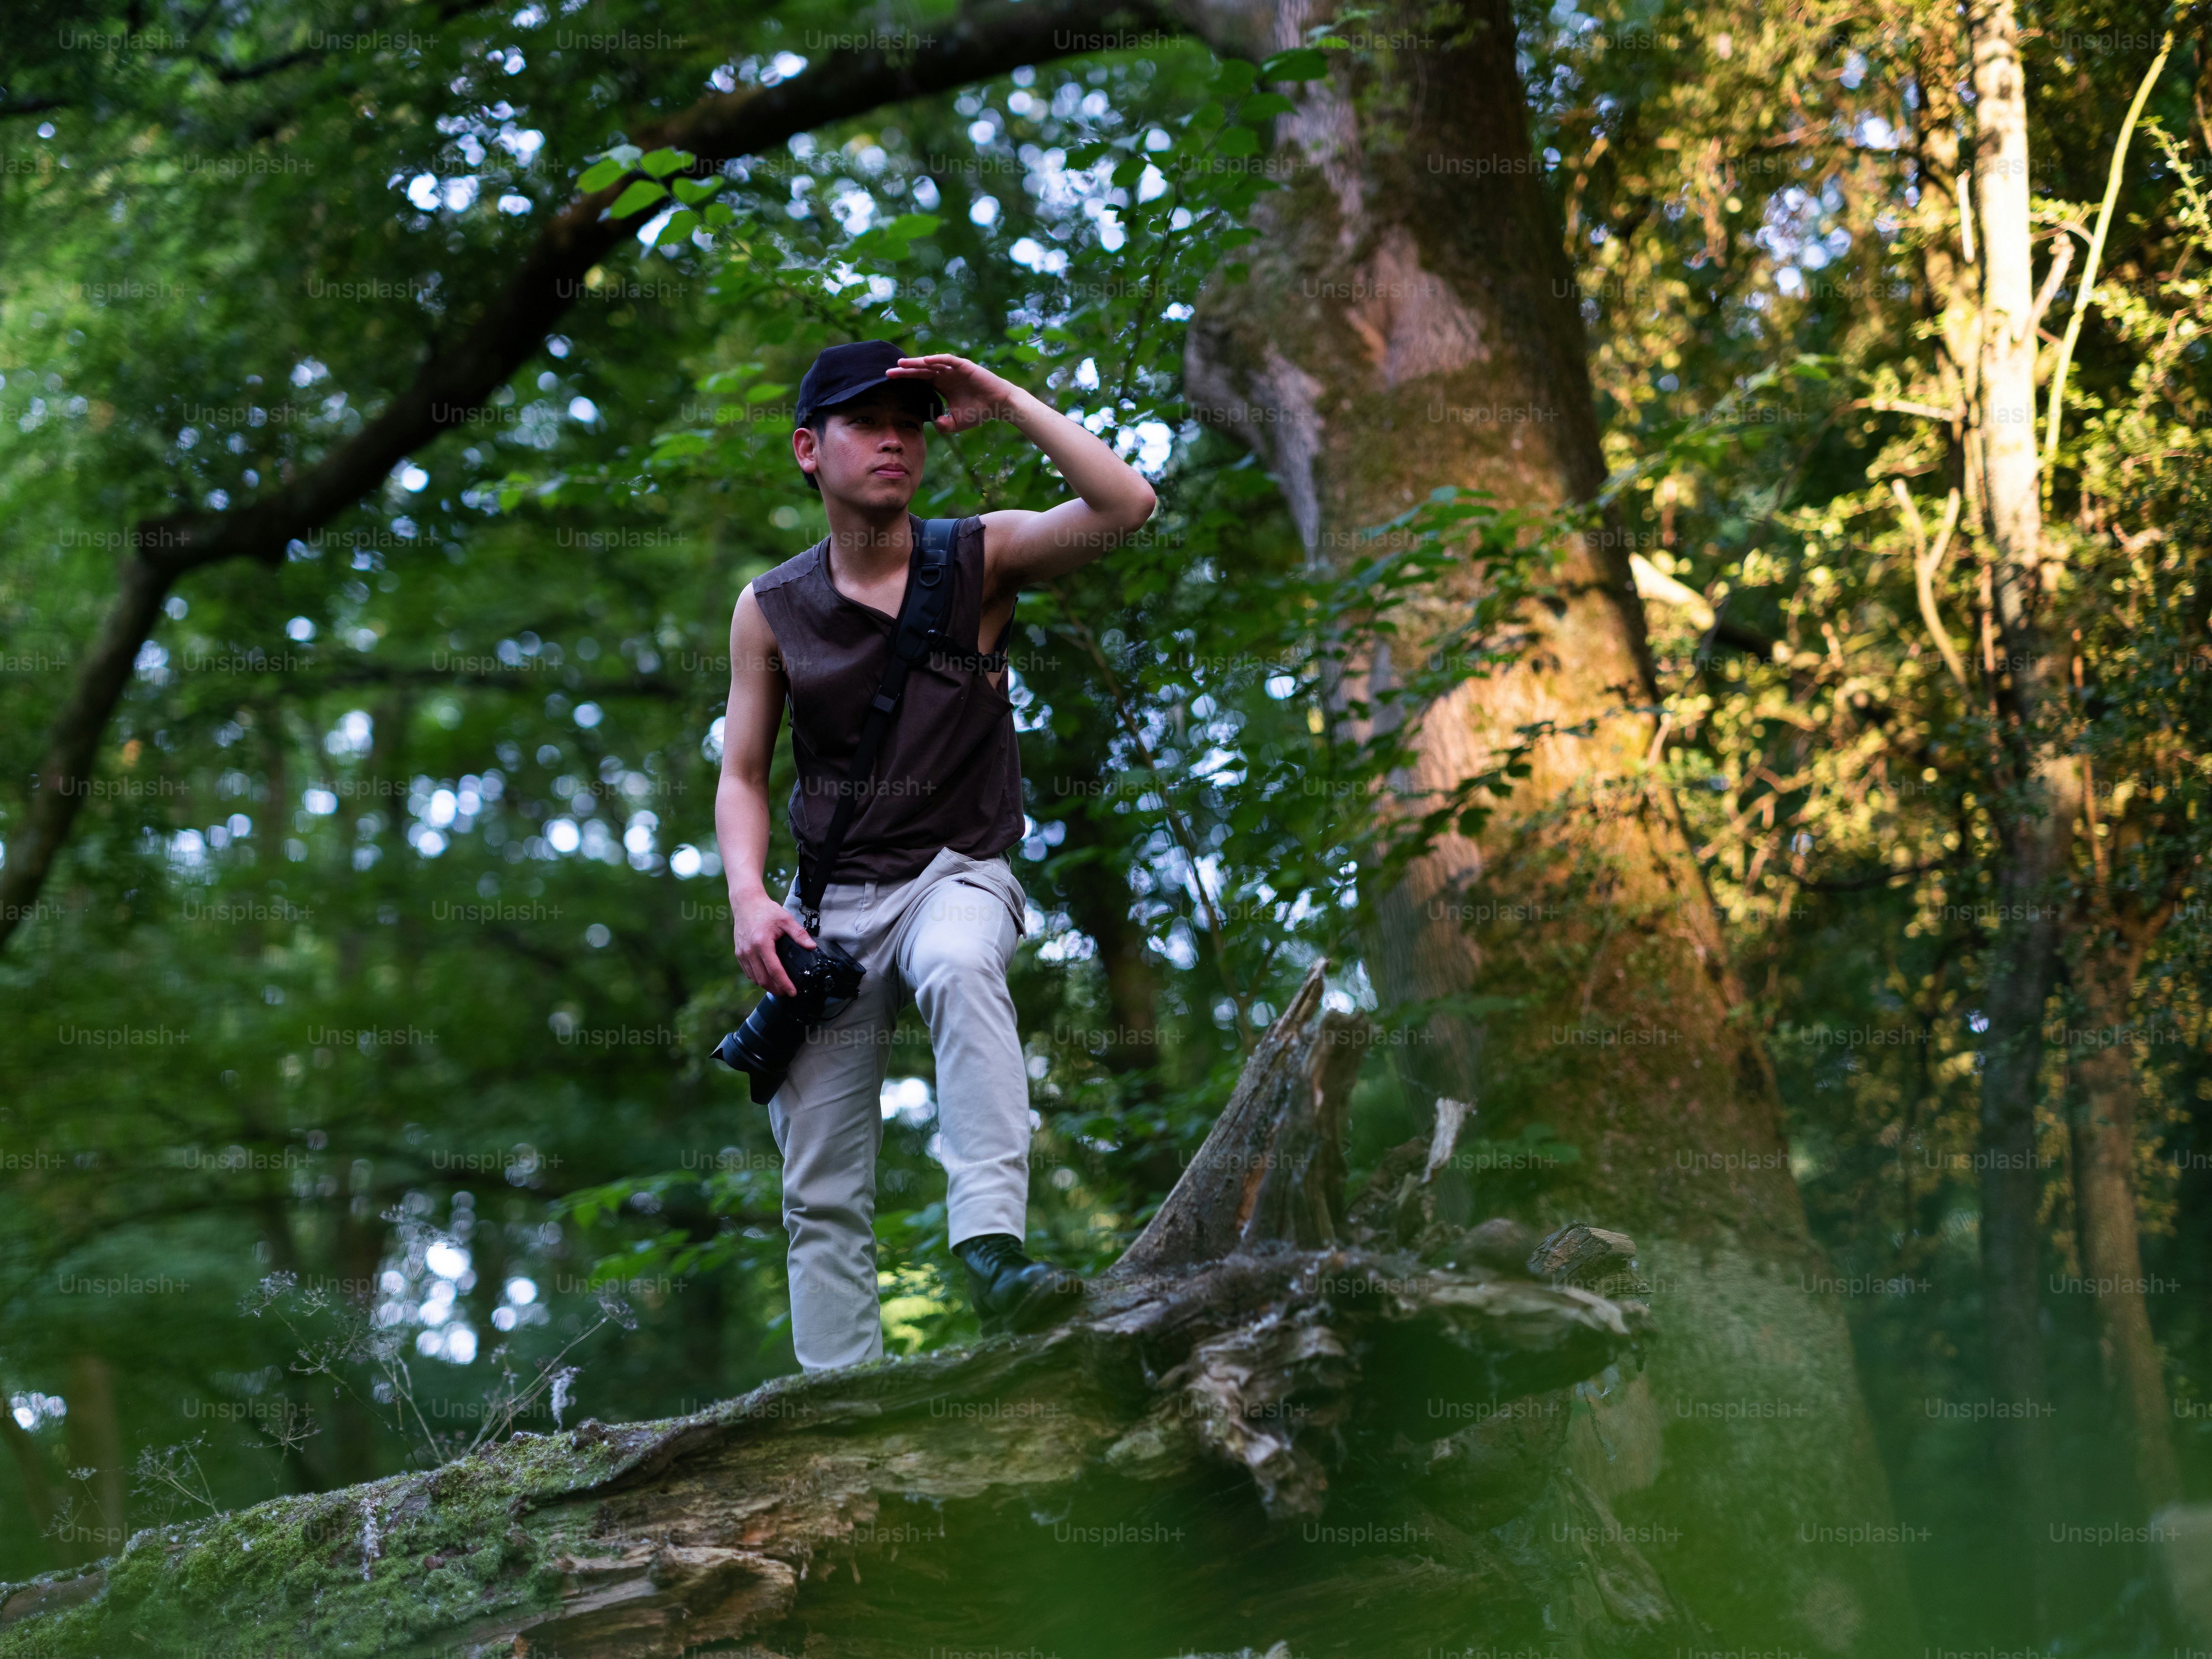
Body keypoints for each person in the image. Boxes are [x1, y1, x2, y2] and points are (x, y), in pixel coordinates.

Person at [713, 339, 1157, 1372]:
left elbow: (1126, 505)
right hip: (827, 909)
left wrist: (1000, 399)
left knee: (961, 963)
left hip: (959, 869)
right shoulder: (770, 608)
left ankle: (993, 1252)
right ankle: (840, 1406)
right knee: (817, 1187)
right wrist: (748, 899)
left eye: (910, 423)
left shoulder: (979, 557)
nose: (895, 441)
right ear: (808, 450)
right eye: (869, 423)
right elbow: (741, 773)